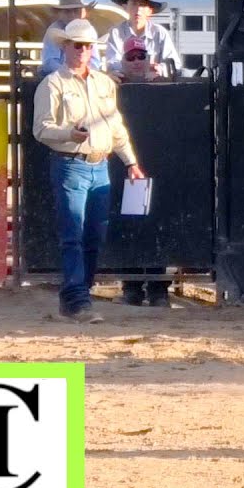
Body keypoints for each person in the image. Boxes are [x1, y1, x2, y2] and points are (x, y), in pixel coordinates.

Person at [33, 19, 145, 323]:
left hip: (98, 163)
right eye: (77, 45)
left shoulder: (103, 83)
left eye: (86, 46)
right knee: (75, 234)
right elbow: (41, 129)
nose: (82, 51)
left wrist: (130, 162)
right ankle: (77, 298)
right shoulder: (53, 83)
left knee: (93, 234)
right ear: (66, 47)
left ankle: (77, 295)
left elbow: (116, 126)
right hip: (71, 163)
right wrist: (69, 134)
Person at [105, 0, 181, 80]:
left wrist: (159, 69)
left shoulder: (159, 33)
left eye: (142, 5)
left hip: (155, 88)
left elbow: (175, 66)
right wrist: (143, 68)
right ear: (125, 7)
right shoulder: (116, 33)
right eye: (134, 4)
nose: (138, 9)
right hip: (125, 87)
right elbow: (112, 64)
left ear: (150, 10)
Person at [39, 0, 102, 78]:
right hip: (59, 77)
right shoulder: (54, 31)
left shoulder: (89, 30)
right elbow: (49, 62)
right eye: (67, 11)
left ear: (82, 12)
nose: (72, 15)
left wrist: (84, 73)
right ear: (59, 13)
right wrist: (69, 73)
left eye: (76, 11)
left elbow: (95, 61)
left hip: (86, 76)